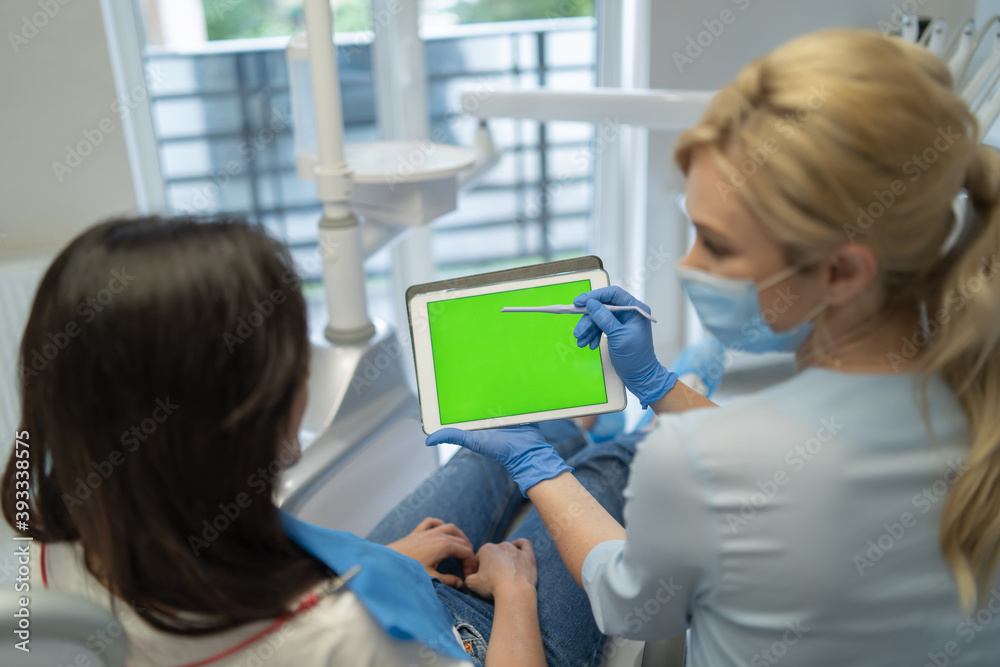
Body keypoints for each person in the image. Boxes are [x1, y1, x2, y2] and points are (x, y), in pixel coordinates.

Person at [426, 29, 1000, 665]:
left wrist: (537, 465)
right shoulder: (976, 402)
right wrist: (657, 386)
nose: (687, 264)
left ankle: (593, 433)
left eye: (718, 245)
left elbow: (632, 604)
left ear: (841, 272)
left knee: (605, 459)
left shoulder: (701, 462)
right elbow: (782, 473)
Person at [0, 215, 641, 666]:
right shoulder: (342, 640)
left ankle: (578, 419)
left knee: (491, 459)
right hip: (481, 639)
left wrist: (373, 562)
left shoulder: (45, 566)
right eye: (292, 358)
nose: (304, 373)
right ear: (243, 418)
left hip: (366, 582)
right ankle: (623, 434)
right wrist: (514, 590)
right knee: (597, 476)